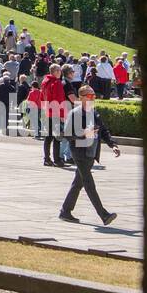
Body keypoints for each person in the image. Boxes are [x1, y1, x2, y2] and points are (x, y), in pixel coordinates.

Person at [58, 85, 120, 225]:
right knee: (89, 184)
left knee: (77, 183)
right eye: (90, 95)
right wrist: (84, 133)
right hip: (79, 153)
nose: (93, 97)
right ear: (81, 97)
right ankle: (103, 215)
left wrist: (113, 145)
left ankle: (65, 211)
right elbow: (66, 135)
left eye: (94, 95)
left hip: (91, 153)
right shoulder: (75, 113)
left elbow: (103, 130)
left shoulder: (94, 112)